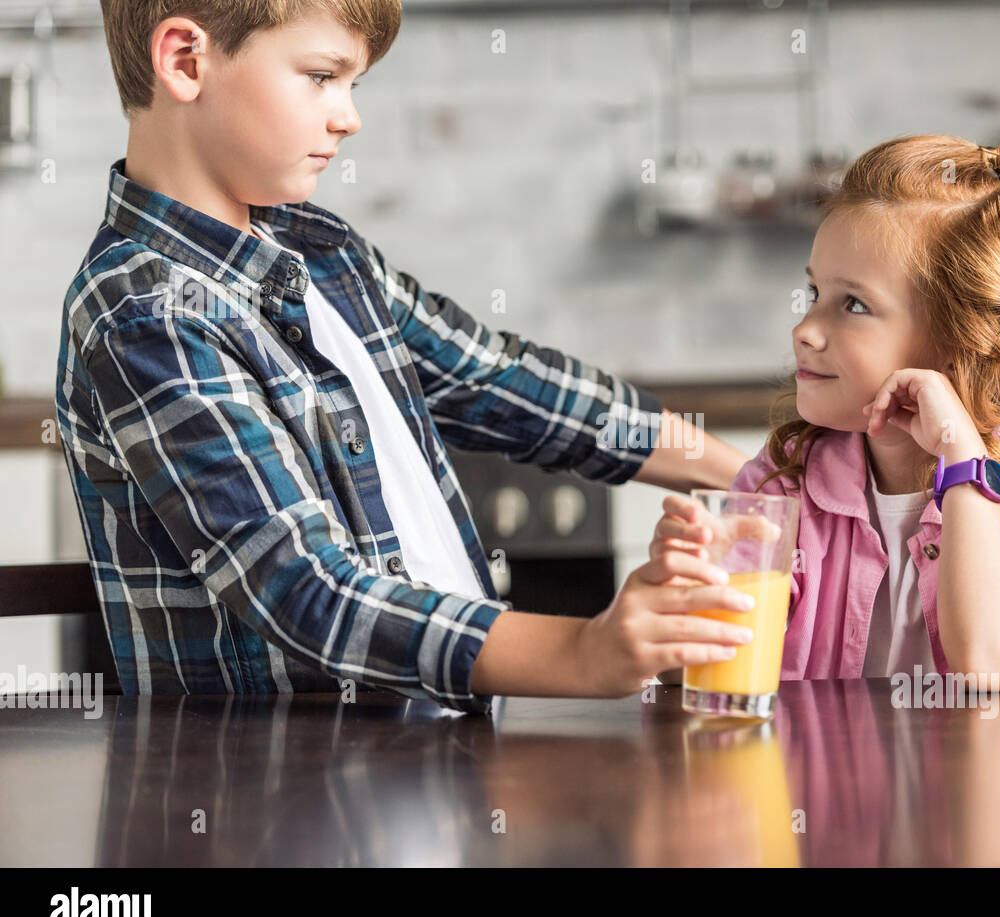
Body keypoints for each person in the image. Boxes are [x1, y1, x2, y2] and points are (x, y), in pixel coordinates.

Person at [56, 0, 760, 713]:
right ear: (185, 60)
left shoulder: (324, 254)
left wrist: (756, 479)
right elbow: (305, 590)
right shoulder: (146, 311)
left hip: (443, 762)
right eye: (322, 76)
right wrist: (587, 651)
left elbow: (497, 381)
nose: (348, 117)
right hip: (285, 801)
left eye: (352, 85)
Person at [652, 135, 1000, 690]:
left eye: (854, 304)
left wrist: (963, 461)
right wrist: (685, 593)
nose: (804, 331)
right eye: (814, 292)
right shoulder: (786, 481)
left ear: (964, 340)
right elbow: (704, 669)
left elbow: (990, 661)